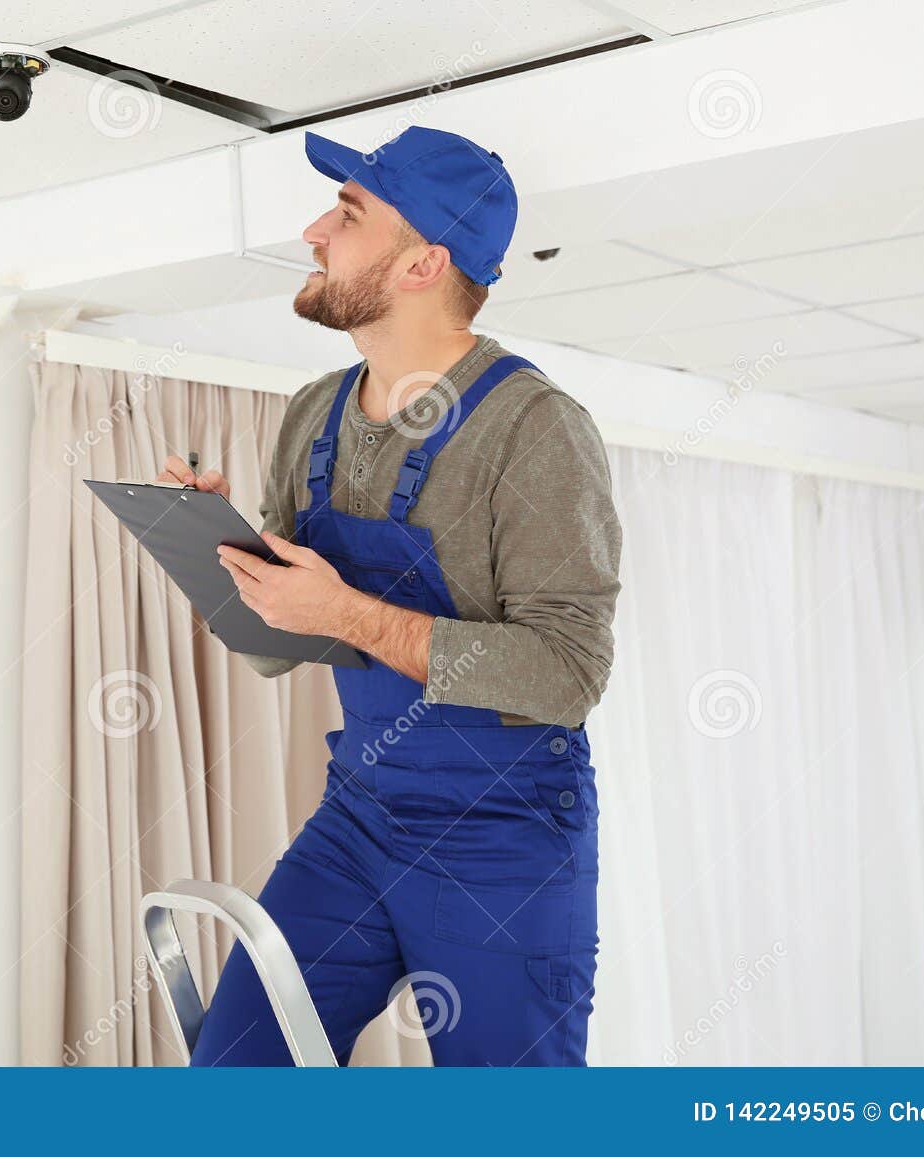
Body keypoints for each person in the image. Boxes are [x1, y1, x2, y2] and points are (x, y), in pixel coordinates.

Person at [154, 126, 622, 1066]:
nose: (315, 228)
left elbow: (569, 672)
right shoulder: (311, 413)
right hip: (361, 810)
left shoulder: (536, 430)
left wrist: (351, 613)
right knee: (234, 1067)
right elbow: (281, 646)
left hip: (505, 838)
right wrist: (223, 557)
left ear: (424, 264)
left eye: (350, 211)